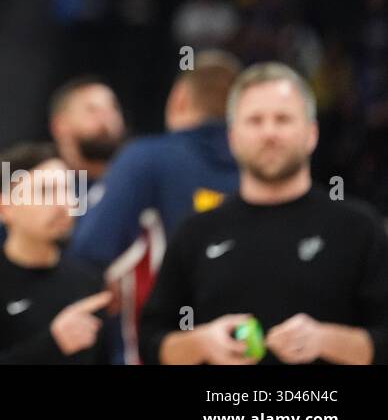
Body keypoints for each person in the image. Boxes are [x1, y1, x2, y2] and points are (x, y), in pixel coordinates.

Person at [140, 62, 388, 365]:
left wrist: (326, 340)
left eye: (283, 119)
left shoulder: (358, 228)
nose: (269, 133)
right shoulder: (196, 233)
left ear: (311, 134)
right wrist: (201, 343)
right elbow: (151, 342)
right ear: (232, 138)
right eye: (255, 121)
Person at [69, 52, 242, 361]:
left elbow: (88, 252)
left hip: (153, 349)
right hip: (242, 347)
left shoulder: (146, 159)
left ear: (179, 99)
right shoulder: (261, 175)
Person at [0, 77, 125, 310]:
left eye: (113, 108)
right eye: (92, 110)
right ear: (60, 125)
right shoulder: (26, 178)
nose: (106, 118)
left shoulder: (133, 185)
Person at [0, 143, 113, 364]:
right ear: (4, 208)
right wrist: (53, 345)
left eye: (68, 190)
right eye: (45, 192)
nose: (63, 204)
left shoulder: (88, 281)